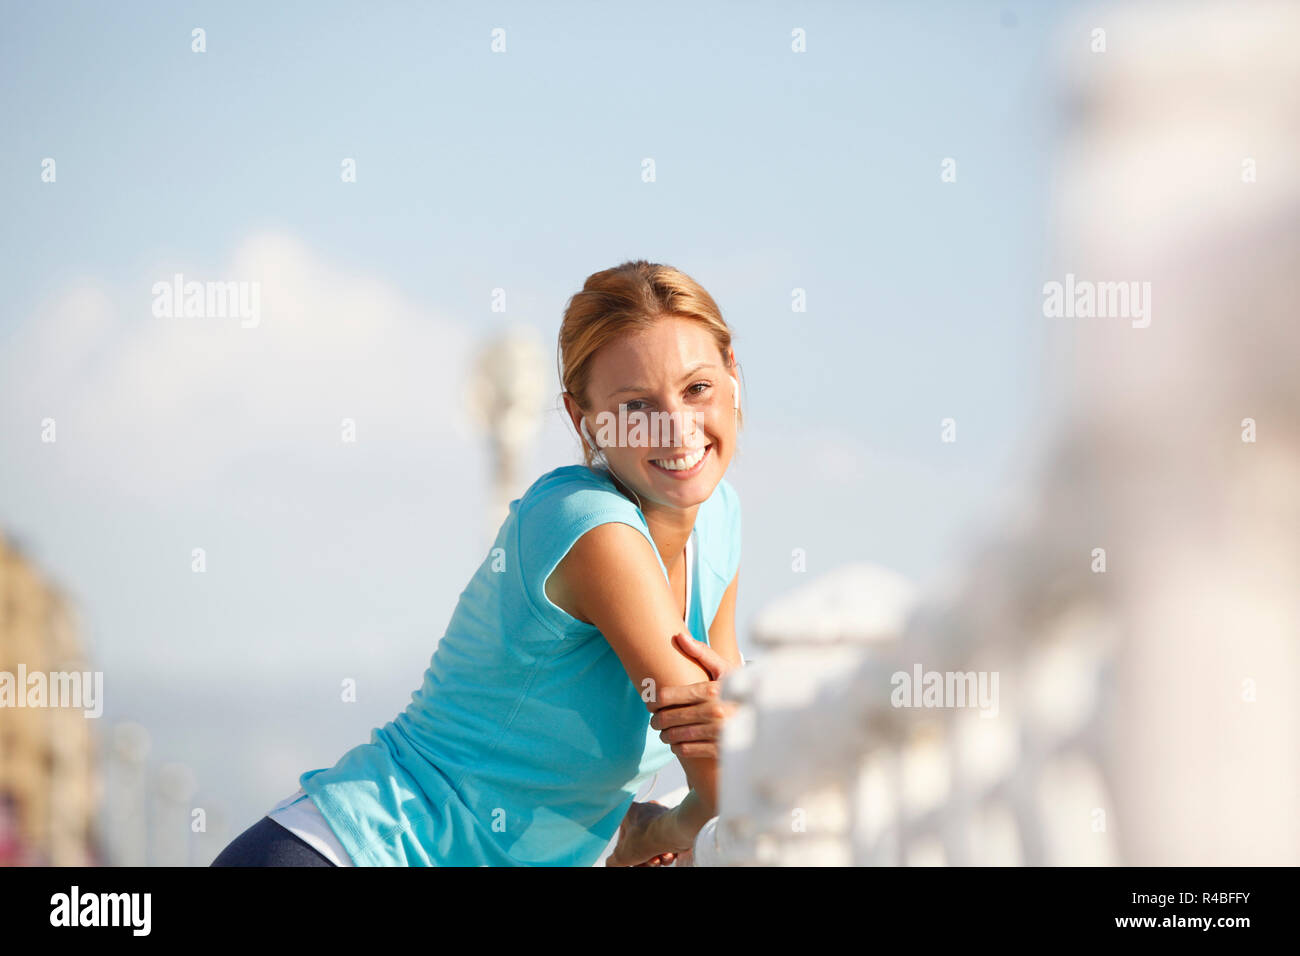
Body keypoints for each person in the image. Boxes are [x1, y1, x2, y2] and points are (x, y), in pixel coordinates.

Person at [212, 259, 744, 866]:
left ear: (733, 376)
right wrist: (744, 738)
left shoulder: (719, 520)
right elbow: (731, 775)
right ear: (583, 419)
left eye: (696, 387)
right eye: (635, 406)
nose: (676, 427)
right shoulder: (590, 526)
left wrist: (660, 824)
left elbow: (724, 755)